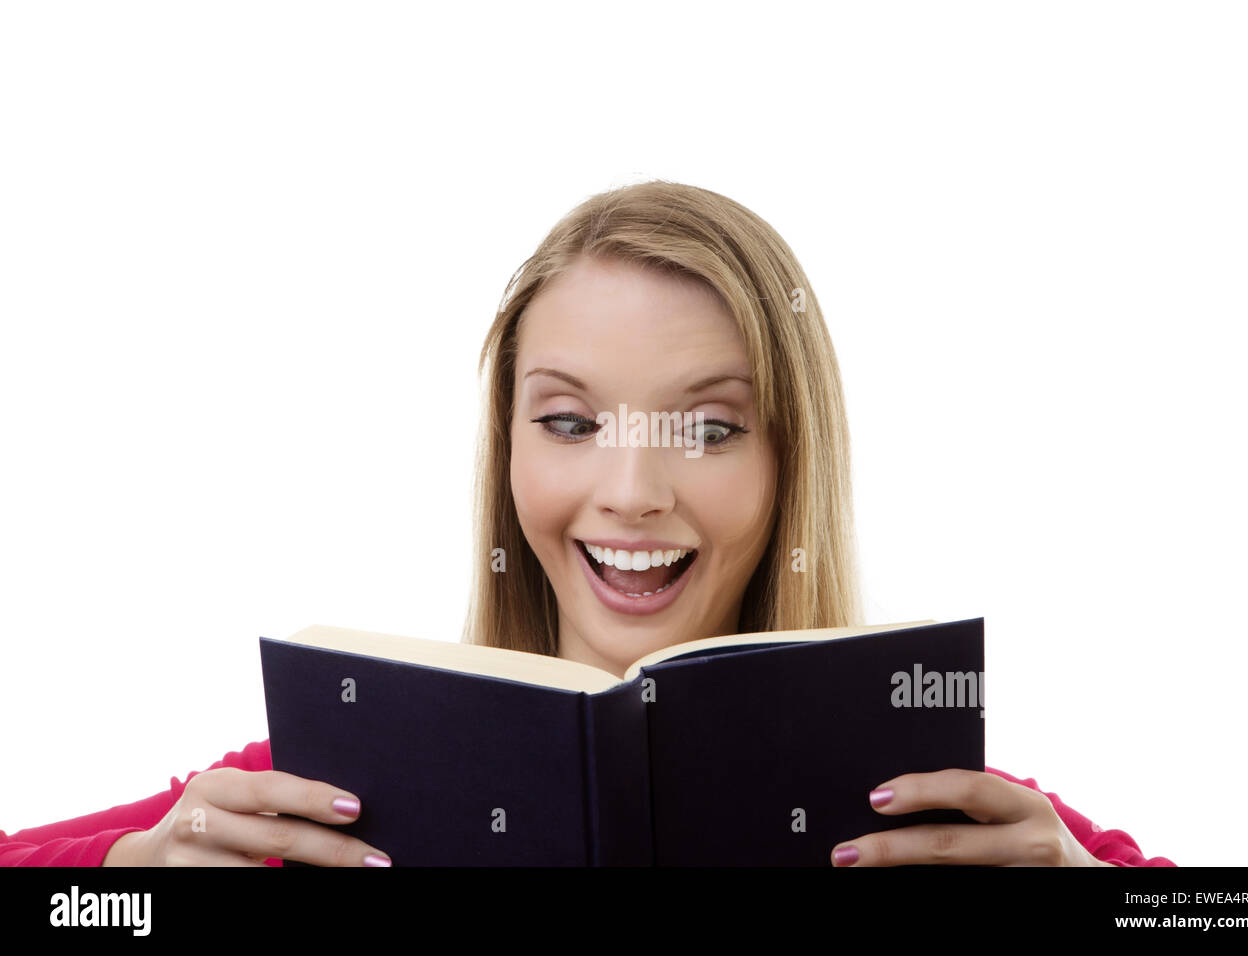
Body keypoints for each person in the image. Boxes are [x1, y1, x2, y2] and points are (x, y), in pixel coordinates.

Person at [0, 181, 1175, 867]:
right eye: (569, 421)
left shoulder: (945, 814)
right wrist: (118, 883)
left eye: (709, 429)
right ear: (505, 447)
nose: (630, 490)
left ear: (790, 461)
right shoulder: (313, 797)